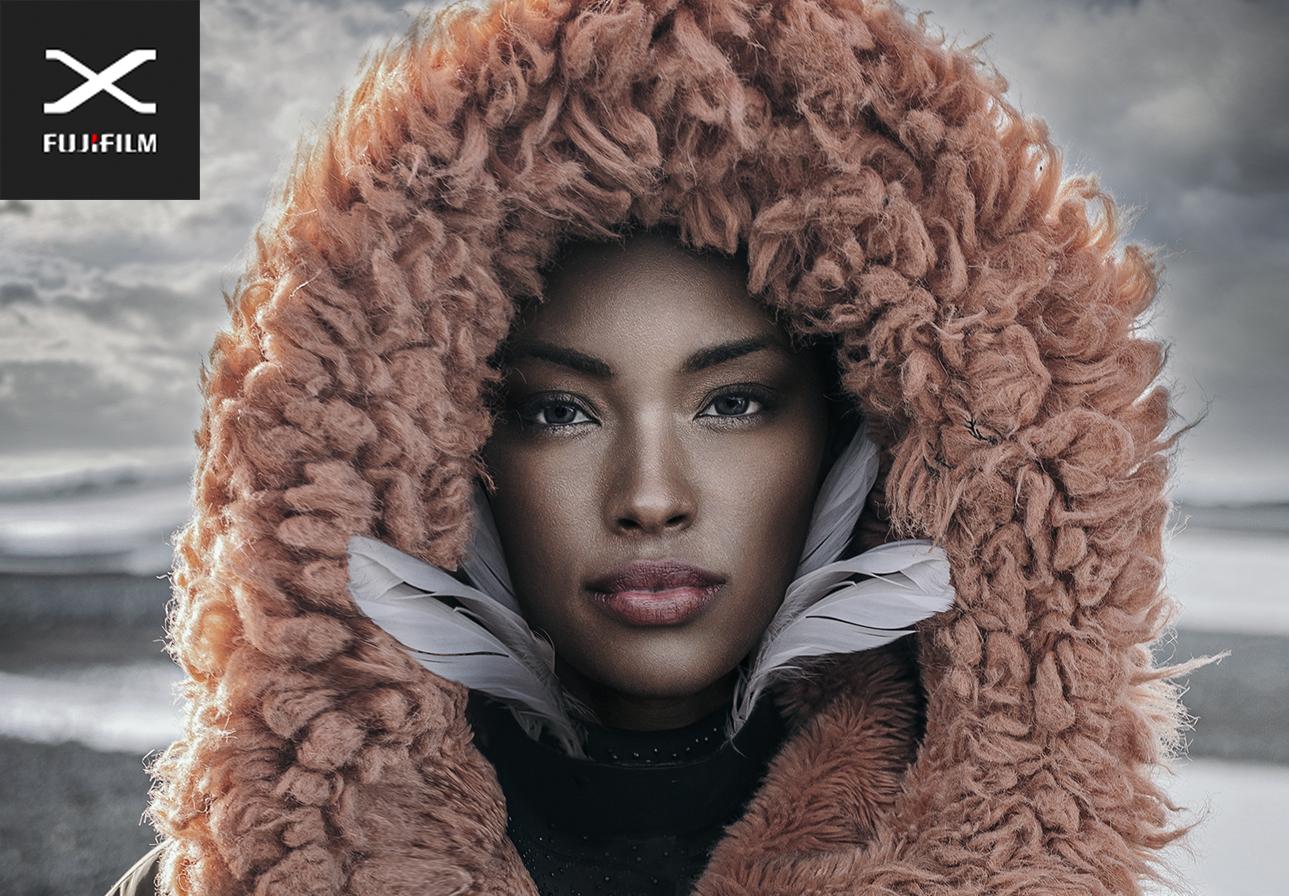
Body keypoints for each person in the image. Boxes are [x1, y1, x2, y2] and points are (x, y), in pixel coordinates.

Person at [107, 0, 1225, 893]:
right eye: (559, 410)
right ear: (438, 445)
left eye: (732, 402)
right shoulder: (221, 879)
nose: (650, 496)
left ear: (857, 434)